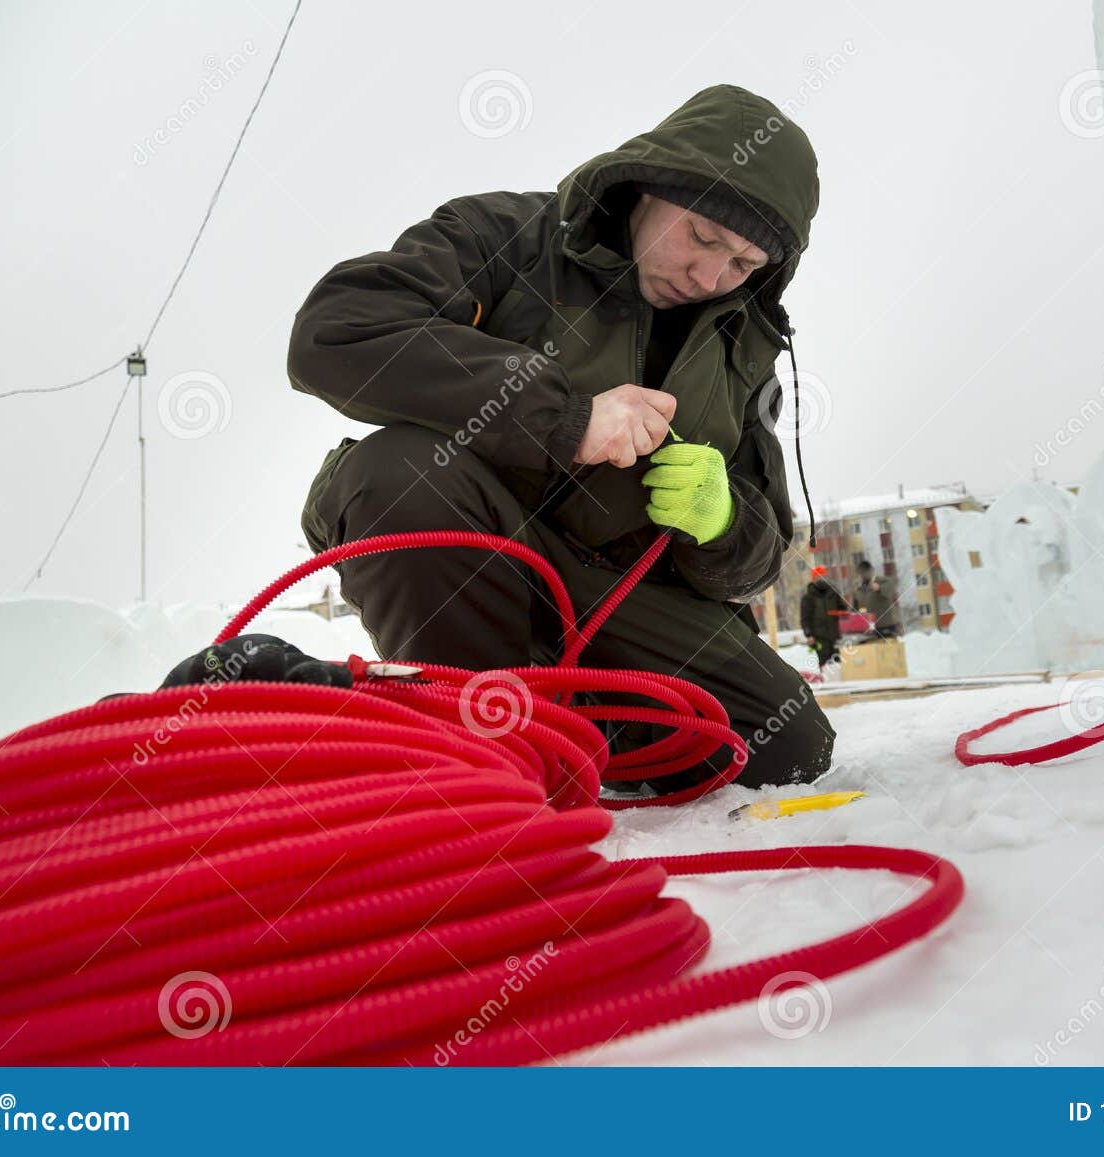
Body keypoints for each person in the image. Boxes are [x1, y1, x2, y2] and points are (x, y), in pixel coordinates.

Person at [278, 84, 832, 791]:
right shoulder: (510, 236)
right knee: (399, 473)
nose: (710, 276)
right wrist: (563, 418)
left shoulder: (742, 346)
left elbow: (760, 557)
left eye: (744, 264)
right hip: (483, 553)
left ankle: (586, 727)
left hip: (624, 599)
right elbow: (337, 330)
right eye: (702, 237)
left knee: (792, 747)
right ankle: (486, 746)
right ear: (650, 185)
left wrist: (723, 520)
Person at [799, 566, 848, 669]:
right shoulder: (808, 598)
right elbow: (805, 619)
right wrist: (809, 635)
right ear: (814, 578)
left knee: (840, 665)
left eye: (824, 576)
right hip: (820, 638)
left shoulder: (834, 593)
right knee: (825, 666)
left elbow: (844, 610)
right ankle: (828, 683)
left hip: (836, 637)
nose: (822, 579)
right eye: (819, 576)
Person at [856, 559, 902, 638]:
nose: (861, 576)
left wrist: (880, 588)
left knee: (888, 649)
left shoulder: (881, 581)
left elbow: (891, 588)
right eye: (860, 574)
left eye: (863, 573)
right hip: (870, 629)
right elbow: (861, 608)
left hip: (886, 626)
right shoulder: (860, 589)